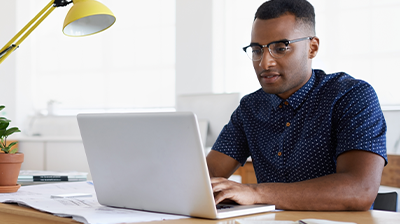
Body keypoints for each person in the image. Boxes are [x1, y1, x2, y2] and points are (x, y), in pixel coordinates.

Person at [206, 0, 387, 211]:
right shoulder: (250, 108)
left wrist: (255, 193)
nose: (265, 63)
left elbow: (359, 190)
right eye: (257, 50)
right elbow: (206, 176)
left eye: (280, 48)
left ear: (312, 48)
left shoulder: (351, 96)